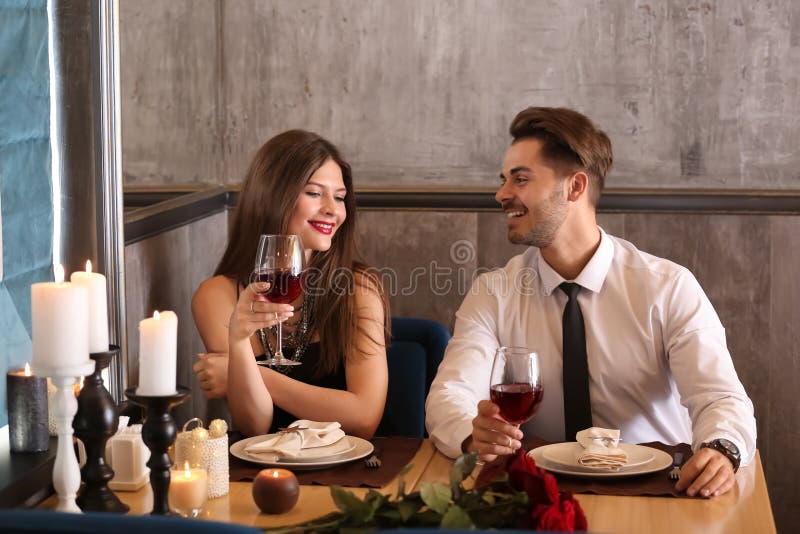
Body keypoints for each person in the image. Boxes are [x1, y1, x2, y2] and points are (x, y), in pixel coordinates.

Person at [425, 107, 756, 498]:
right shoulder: (493, 292)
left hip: (662, 494)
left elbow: (720, 398)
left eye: (520, 179)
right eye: (504, 180)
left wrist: (721, 448)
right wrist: (472, 435)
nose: (501, 194)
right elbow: (449, 396)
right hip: (542, 496)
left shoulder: (668, 287)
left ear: (575, 188)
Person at [192, 129, 389, 438]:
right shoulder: (218, 295)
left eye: (339, 197)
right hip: (262, 471)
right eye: (314, 193)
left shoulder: (358, 287)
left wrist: (254, 374)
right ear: (273, 195)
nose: (333, 209)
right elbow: (255, 427)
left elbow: (363, 418)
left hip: (345, 468)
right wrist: (239, 343)